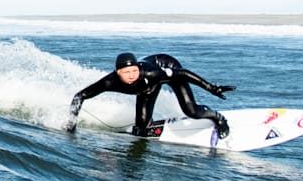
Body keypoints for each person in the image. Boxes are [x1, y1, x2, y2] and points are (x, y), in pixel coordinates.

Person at [65, 52, 235, 138]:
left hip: (167, 68)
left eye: (134, 71)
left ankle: (219, 118)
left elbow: (183, 74)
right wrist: (72, 122)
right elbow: (80, 96)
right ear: (118, 73)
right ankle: (149, 125)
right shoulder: (110, 82)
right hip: (147, 88)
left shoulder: (149, 73)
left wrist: (212, 88)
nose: (132, 75)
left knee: (191, 111)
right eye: (127, 72)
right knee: (141, 129)